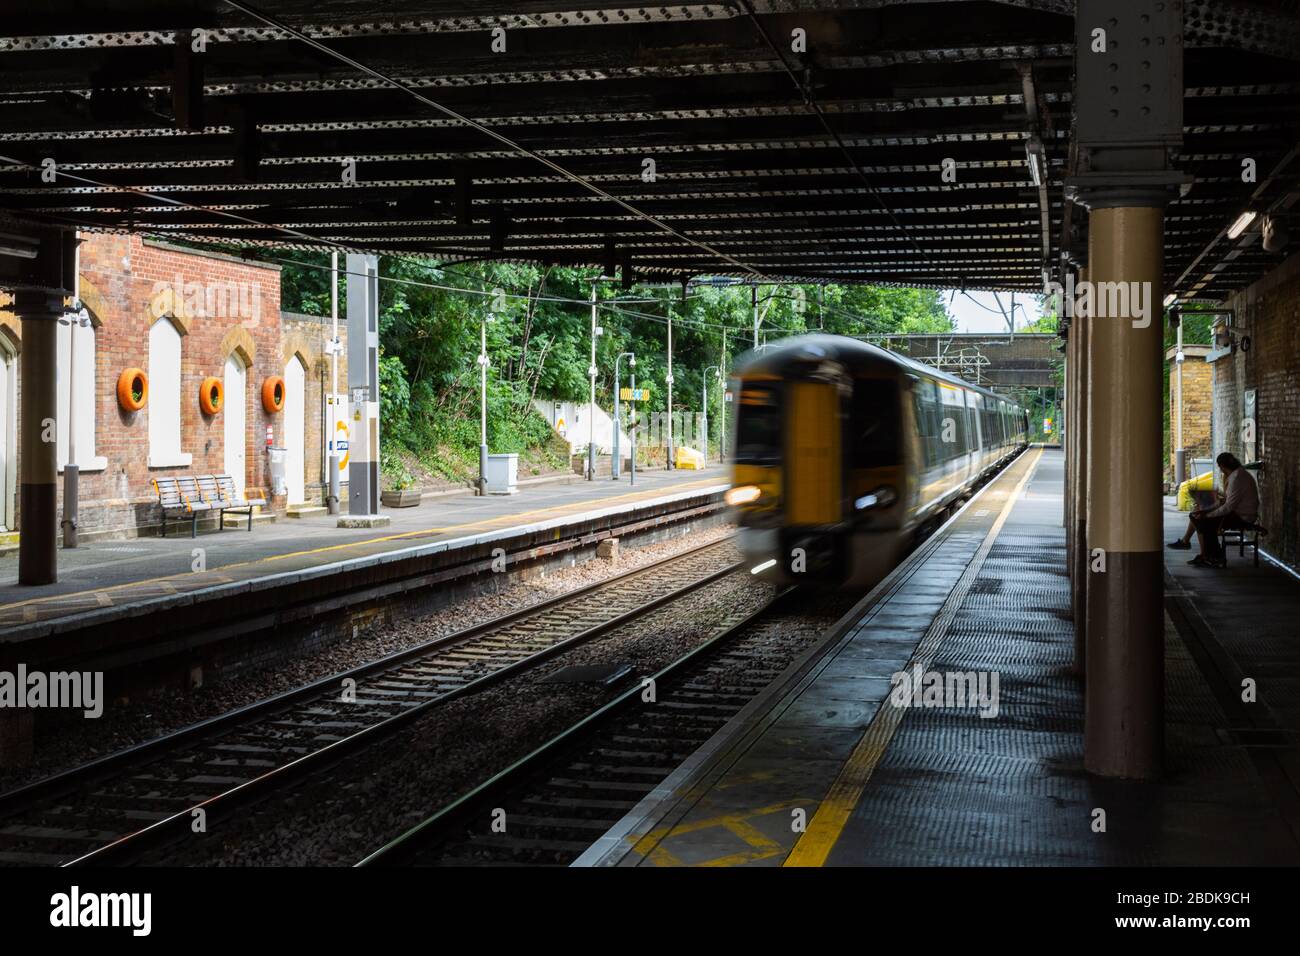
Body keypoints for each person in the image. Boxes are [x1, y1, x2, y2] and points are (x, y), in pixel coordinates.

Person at [1168, 452, 1258, 568]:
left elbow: (1228, 506)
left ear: (1222, 467)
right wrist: (1206, 510)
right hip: (1238, 512)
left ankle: (1212, 556)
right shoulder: (1238, 475)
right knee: (1197, 514)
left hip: (1242, 516)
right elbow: (1226, 502)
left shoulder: (1236, 478)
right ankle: (1208, 554)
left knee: (1203, 521)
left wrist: (1208, 515)